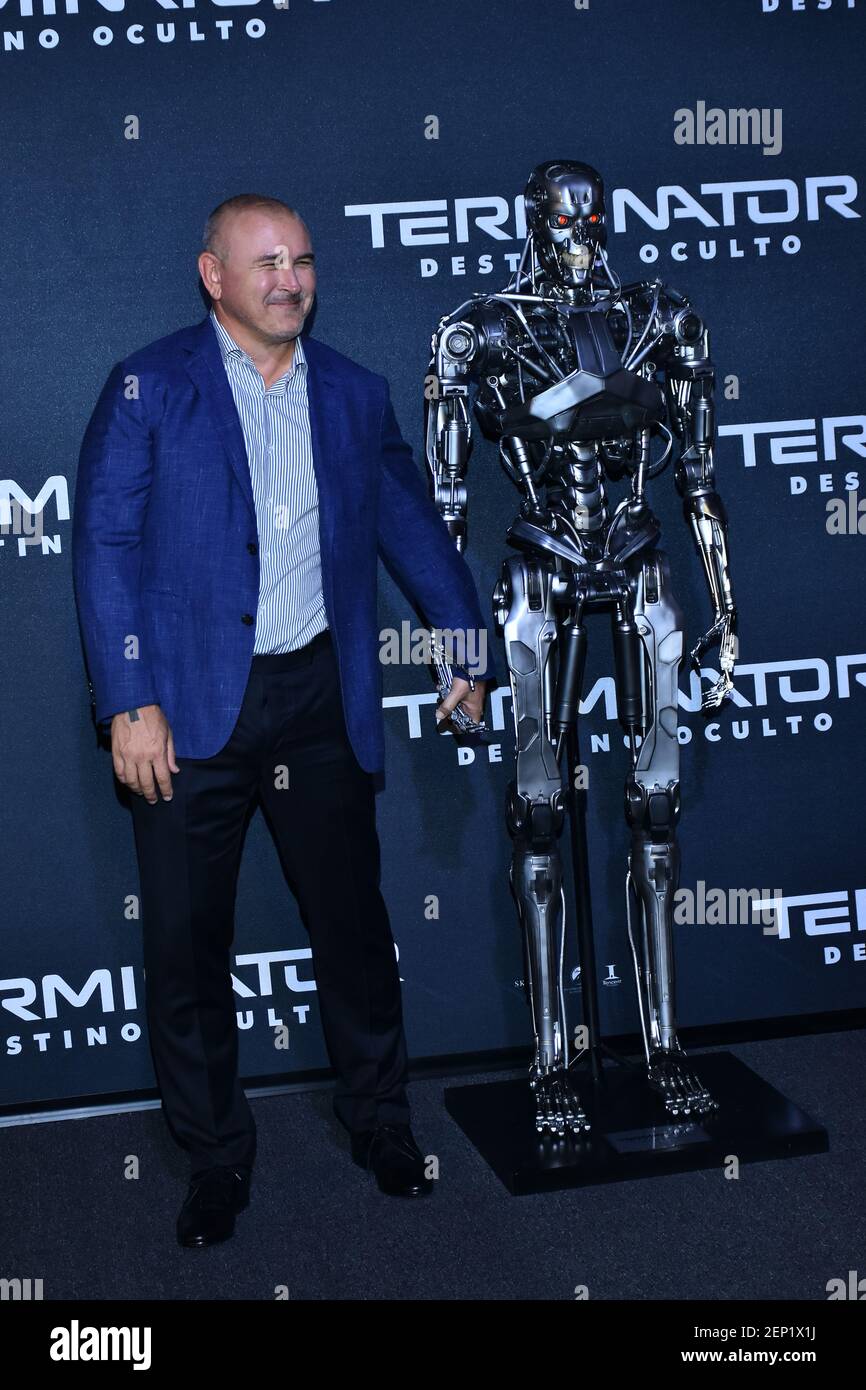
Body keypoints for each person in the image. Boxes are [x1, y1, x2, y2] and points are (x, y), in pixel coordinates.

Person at [72, 194, 496, 1248]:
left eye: (302, 261)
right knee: (184, 947)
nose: (288, 280)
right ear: (212, 275)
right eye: (264, 262)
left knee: (353, 932)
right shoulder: (146, 386)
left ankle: (383, 1125)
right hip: (187, 709)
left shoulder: (353, 392)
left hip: (315, 699)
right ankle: (214, 1160)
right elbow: (104, 550)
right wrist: (130, 701)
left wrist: (468, 646)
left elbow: (410, 525)